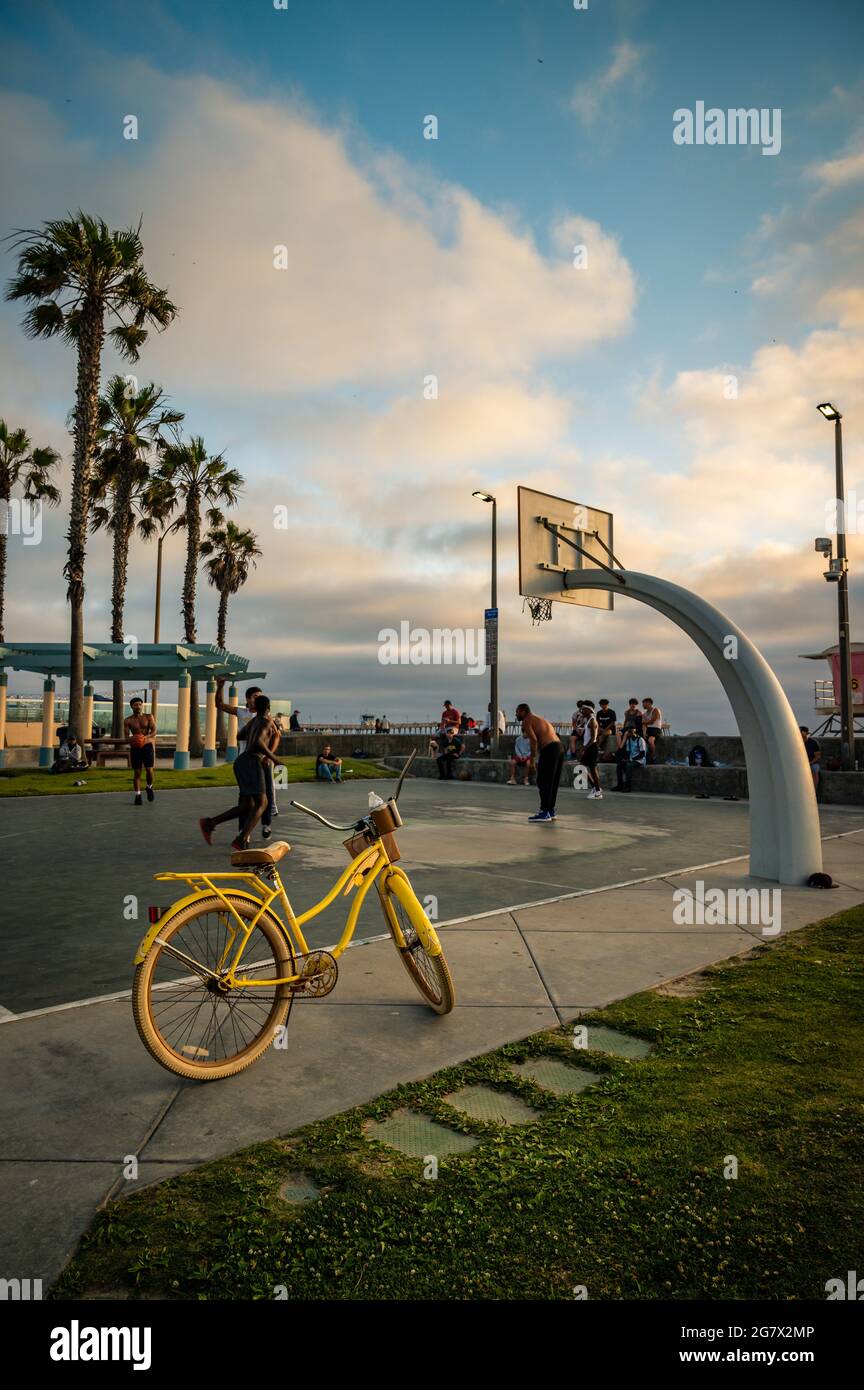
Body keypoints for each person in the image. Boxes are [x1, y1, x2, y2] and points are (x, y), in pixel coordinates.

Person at [516, 703, 563, 823]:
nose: (516, 714)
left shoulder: (527, 721)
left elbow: (533, 740)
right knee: (552, 781)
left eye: (517, 712)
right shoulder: (538, 718)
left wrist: (532, 761)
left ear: (523, 711)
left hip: (550, 749)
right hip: (559, 747)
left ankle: (544, 812)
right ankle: (550, 810)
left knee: (543, 781)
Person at [124, 697, 156, 805]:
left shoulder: (149, 717)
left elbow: (154, 731)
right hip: (136, 748)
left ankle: (149, 787)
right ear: (132, 707)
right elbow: (126, 737)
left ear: (142, 706)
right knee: (137, 772)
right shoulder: (128, 720)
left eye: (139, 704)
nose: (138, 706)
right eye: (135, 705)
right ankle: (138, 795)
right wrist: (133, 740)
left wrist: (145, 738)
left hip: (147, 746)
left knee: (149, 770)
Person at [579, 700, 602, 799]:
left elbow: (593, 738)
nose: (582, 711)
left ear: (589, 710)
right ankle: (595, 787)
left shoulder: (592, 720)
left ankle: (598, 792)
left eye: (584, 709)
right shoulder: (587, 719)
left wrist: (584, 749)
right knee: (581, 768)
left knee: (593, 770)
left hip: (592, 747)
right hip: (588, 747)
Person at [613, 724, 647, 791]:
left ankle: (628, 786)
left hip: (640, 760)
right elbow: (628, 753)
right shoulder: (629, 740)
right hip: (631, 759)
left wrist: (631, 759)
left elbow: (642, 754)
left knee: (628, 766)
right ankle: (620, 785)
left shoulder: (640, 740)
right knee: (619, 765)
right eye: (628, 732)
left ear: (634, 732)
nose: (629, 733)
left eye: (631, 732)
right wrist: (626, 759)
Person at [800, 726, 821, 798]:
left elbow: (818, 757)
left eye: (801, 731)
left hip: (813, 763)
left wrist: (809, 763)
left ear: (805, 733)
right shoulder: (798, 742)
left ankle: (814, 793)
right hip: (801, 764)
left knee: (814, 770)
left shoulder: (813, 742)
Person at [642, 698, 664, 763]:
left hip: (656, 730)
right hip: (648, 730)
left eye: (644, 703)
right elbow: (644, 724)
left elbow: (652, 721)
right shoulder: (644, 713)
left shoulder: (655, 710)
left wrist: (644, 722)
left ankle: (654, 756)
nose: (643, 705)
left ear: (649, 703)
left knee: (650, 741)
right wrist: (644, 732)